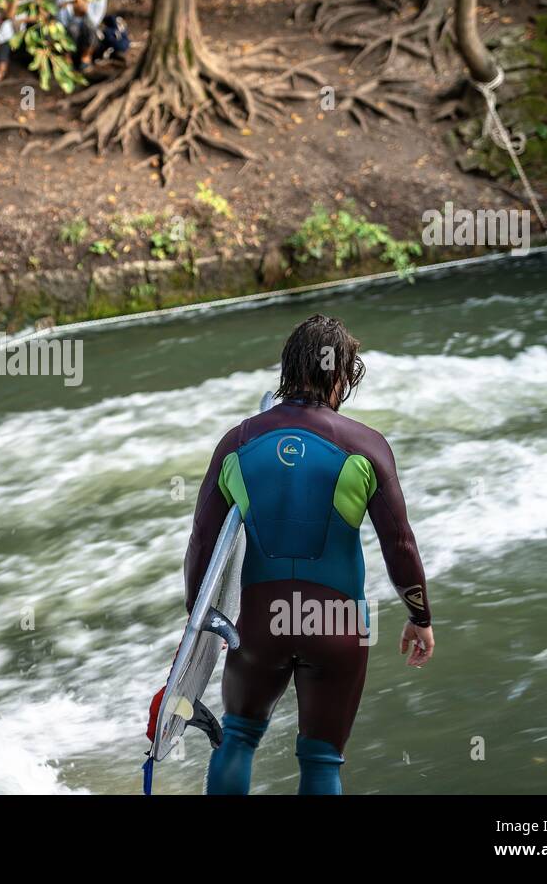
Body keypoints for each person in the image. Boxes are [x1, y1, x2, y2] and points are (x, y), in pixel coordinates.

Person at [182, 314, 434, 795]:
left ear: (286, 370)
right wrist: (419, 616)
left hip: (258, 621)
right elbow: (399, 544)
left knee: (237, 738)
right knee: (321, 763)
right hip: (335, 622)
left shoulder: (237, 443)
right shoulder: (366, 447)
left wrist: (201, 620)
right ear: (341, 377)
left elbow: (203, 544)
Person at [55, 0, 129, 73]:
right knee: (72, 28)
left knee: (89, 26)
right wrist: (72, 8)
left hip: (90, 37)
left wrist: (85, 8)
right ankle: (67, 59)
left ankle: (86, 57)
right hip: (71, 37)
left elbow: (94, 22)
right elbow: (61, 24)